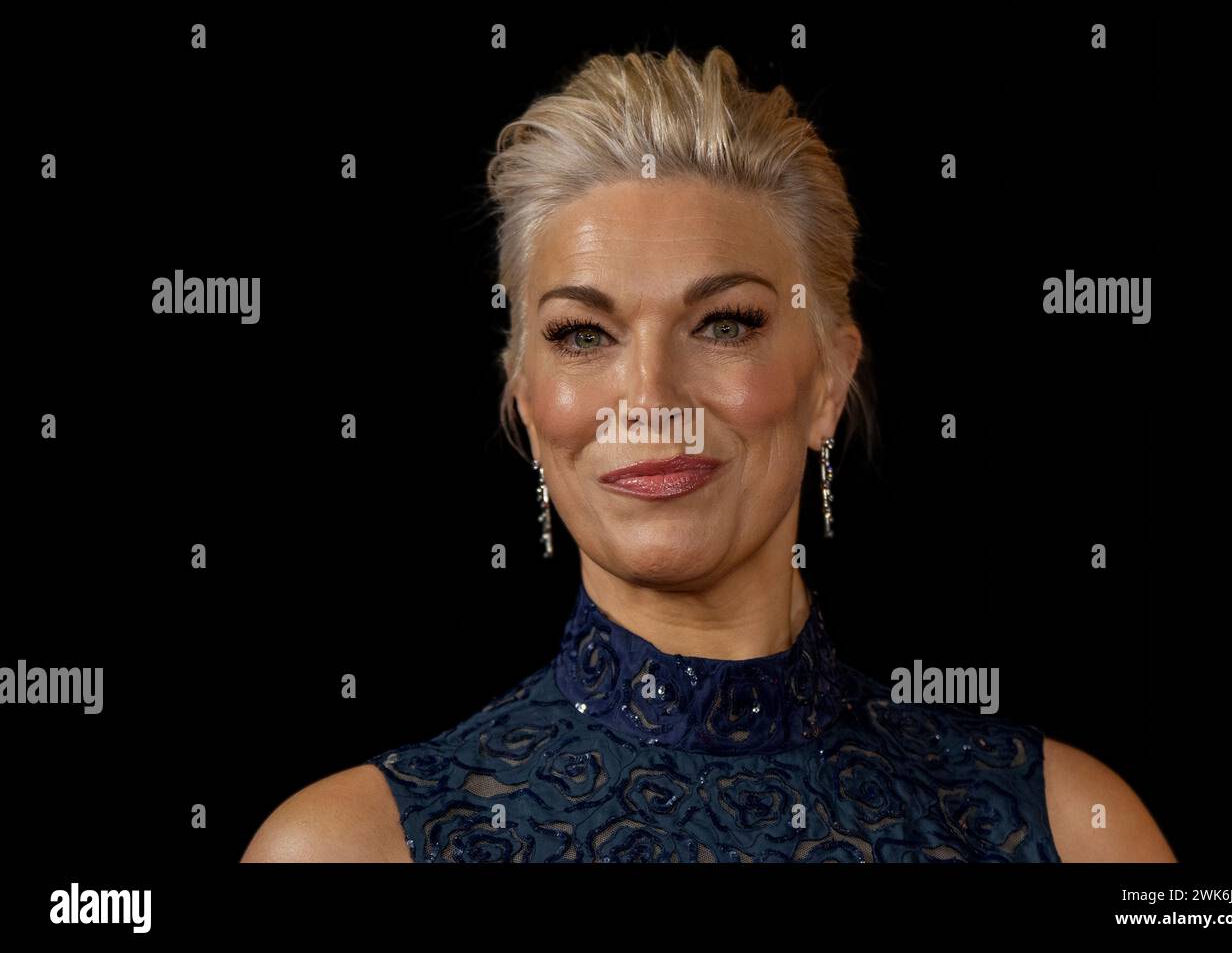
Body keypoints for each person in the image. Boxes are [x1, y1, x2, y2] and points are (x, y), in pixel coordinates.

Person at [242, 46, 1174, 863]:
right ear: (526, 399)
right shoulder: (350, 847)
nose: (651, 403)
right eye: (580, 334)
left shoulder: (1073, 829)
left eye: (724, 323)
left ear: (827, 381)